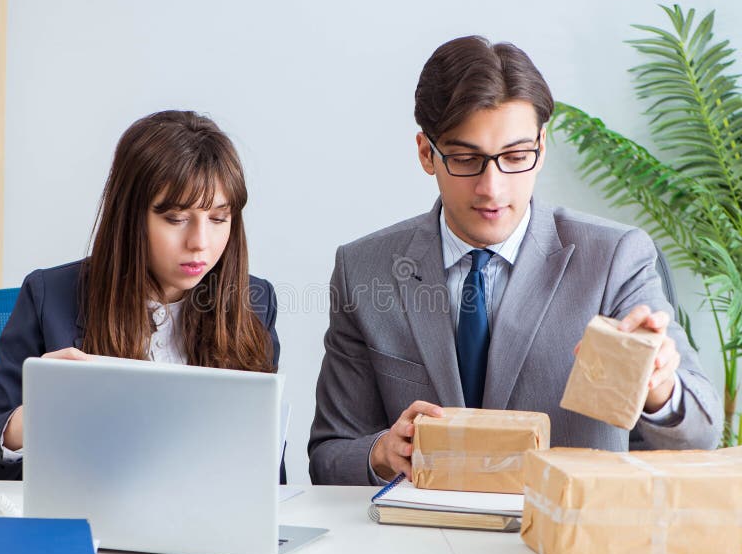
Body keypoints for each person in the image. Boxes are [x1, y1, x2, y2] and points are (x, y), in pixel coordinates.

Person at [308, 36, 723, 486]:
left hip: (562, 541)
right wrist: (382, 452)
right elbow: (329, 455)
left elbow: (701, 436)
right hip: (420, 542)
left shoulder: (615, 259)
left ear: (541, 147)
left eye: (515, 157)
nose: (492, 187)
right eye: (466, 159)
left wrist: (660, 387)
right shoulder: (363, 268)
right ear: (427, 153)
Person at [0, 110, 282, 481]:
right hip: (89, 525)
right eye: (176, 219)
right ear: (130, 216)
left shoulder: (255, 302)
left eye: (219, 219)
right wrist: (34, 417)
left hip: (213, 529)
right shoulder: (50, 298)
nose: (200, 243)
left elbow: (270, 478)